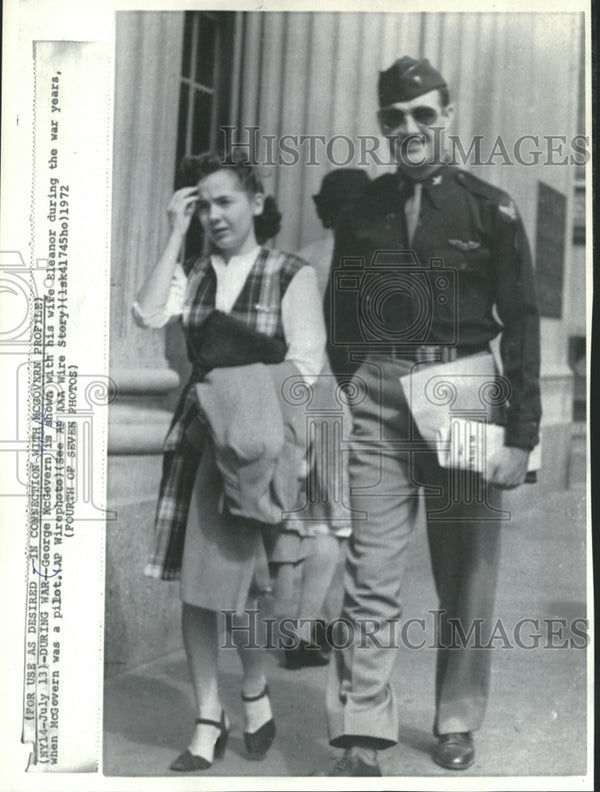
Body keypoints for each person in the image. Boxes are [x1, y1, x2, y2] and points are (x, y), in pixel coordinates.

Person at [322, 57, 541, 776]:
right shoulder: (364, 211)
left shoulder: (490, 209)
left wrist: (521, 434)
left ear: (447, 114)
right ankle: (361, 732)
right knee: (370, 571)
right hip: (381, 394)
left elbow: (525, 322)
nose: (410, 128)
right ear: (382, 124)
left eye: (423, 113)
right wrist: (361, 386)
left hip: (465, 392)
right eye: (395, 116)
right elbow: (340, 312)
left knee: (466, 575)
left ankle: (455, 718)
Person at [134, 152, 326, 771]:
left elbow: (306, 365)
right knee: (198, 587)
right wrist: (172, 232)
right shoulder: (192, 270)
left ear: (257, 202)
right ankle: (207, 718)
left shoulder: (290, 272)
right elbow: (146, 313)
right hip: (200, 439)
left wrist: (290, 451)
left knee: (246, 588)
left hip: (260, 441)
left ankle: (254, 689)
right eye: (204, 205)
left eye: (226, 202)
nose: (214, 215)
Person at [269, 168, 371, 670]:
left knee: (295, 516)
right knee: (332, 521)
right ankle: (308, 629)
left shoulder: (300, 261)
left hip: (295, 394)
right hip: (341, 402)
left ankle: (297, 623)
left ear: (322, 209)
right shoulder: (374, 262)